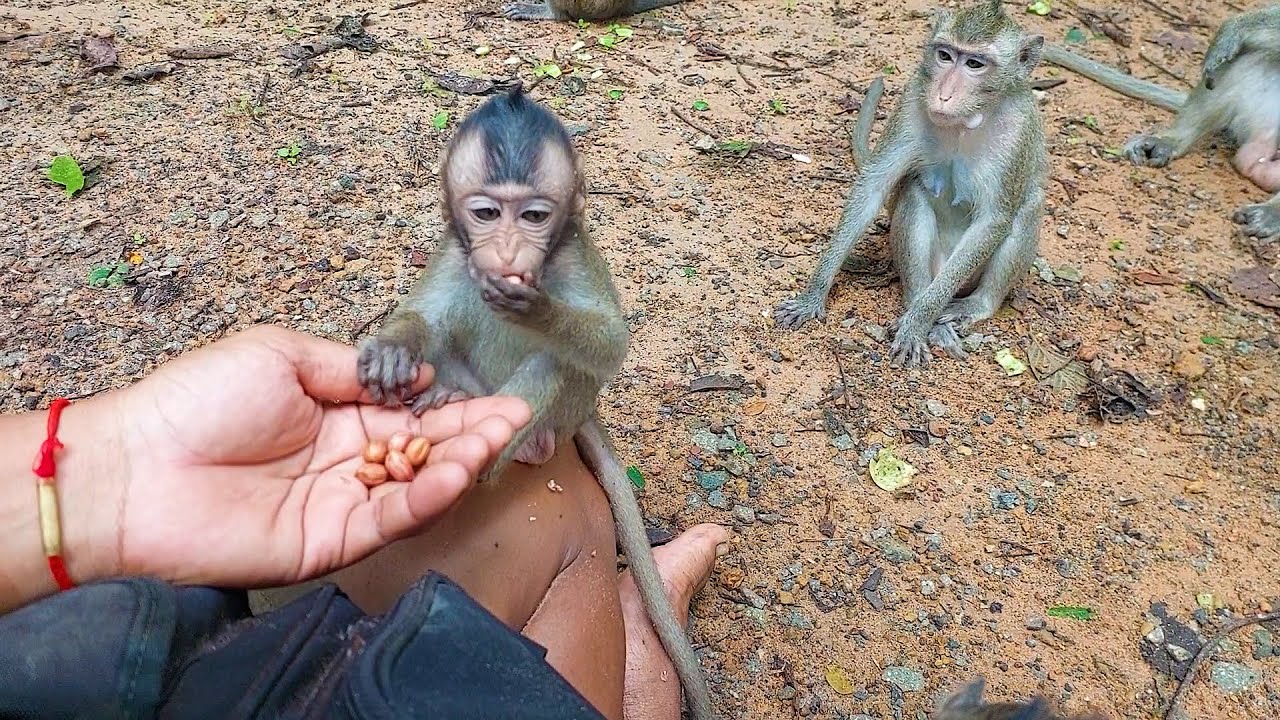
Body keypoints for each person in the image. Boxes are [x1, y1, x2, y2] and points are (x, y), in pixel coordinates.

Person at [0, 325, 728, 719]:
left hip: (118, 657)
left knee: (520, 464)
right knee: (558, 500)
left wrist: (111, 473)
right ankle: (639, 617)